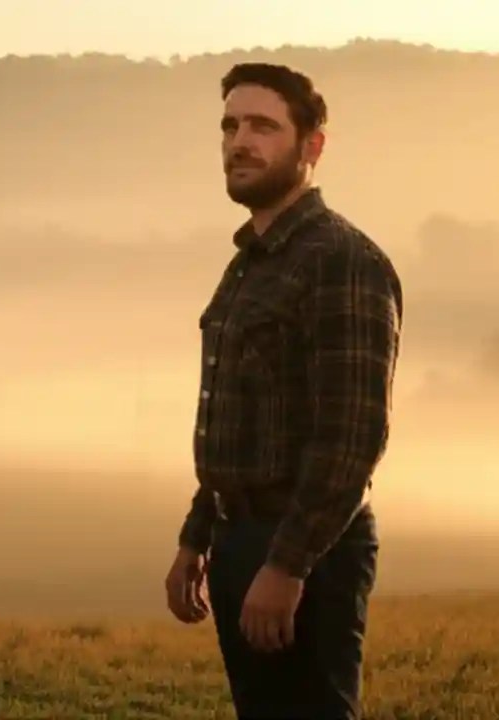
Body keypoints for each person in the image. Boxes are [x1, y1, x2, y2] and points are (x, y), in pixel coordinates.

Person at [163, 62, 403, 719]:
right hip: (239, 535)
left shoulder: (341, 261)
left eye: (264, 126)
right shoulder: (249, 263)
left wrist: (287, 566)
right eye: (230, 126)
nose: (240, 141)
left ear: (312, 146)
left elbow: (350, 438)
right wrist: (197, 536)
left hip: (309, 547)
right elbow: (238, 417)